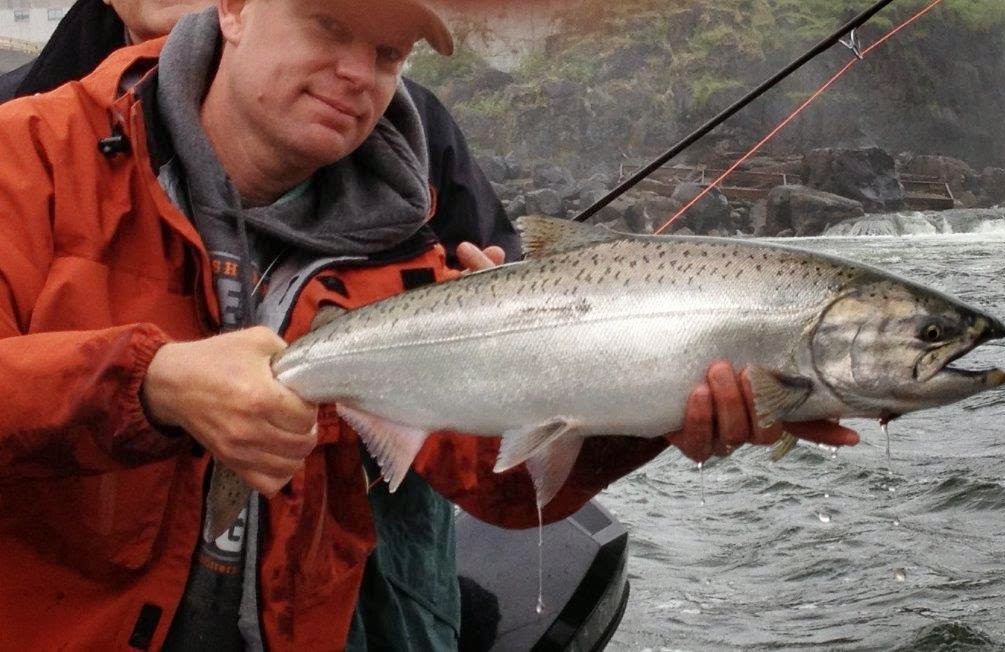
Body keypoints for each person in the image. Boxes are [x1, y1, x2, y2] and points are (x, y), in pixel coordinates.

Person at [0, 1, 858, 650]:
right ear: (232, 7)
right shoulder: (27, 158)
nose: (357, 73)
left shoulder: (411, 250)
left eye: (387, 53)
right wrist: (149, 385)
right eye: (330, 25)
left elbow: (494, 482)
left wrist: (649, 410)